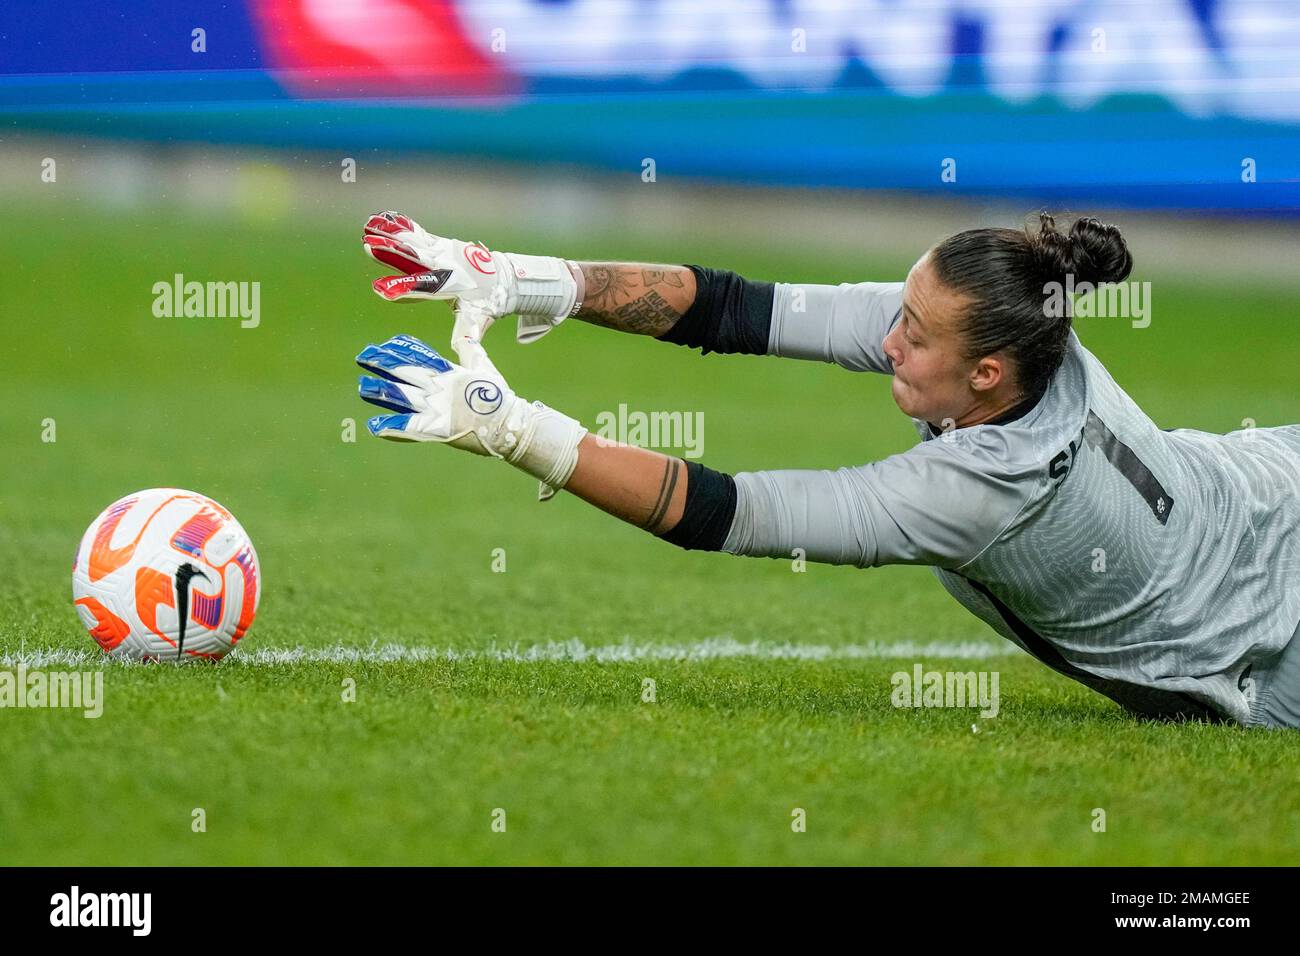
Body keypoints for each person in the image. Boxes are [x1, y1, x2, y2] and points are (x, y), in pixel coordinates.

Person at [354, 210, 1300, 728]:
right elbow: (735, 309)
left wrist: (511, 429)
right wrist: (521, 277)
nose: (886, 338)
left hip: (1265, 648)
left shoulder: (979, 492)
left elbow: (731, 512)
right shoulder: (1006, 331)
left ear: (985, 373)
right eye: (900, 308)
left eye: (913, 333)